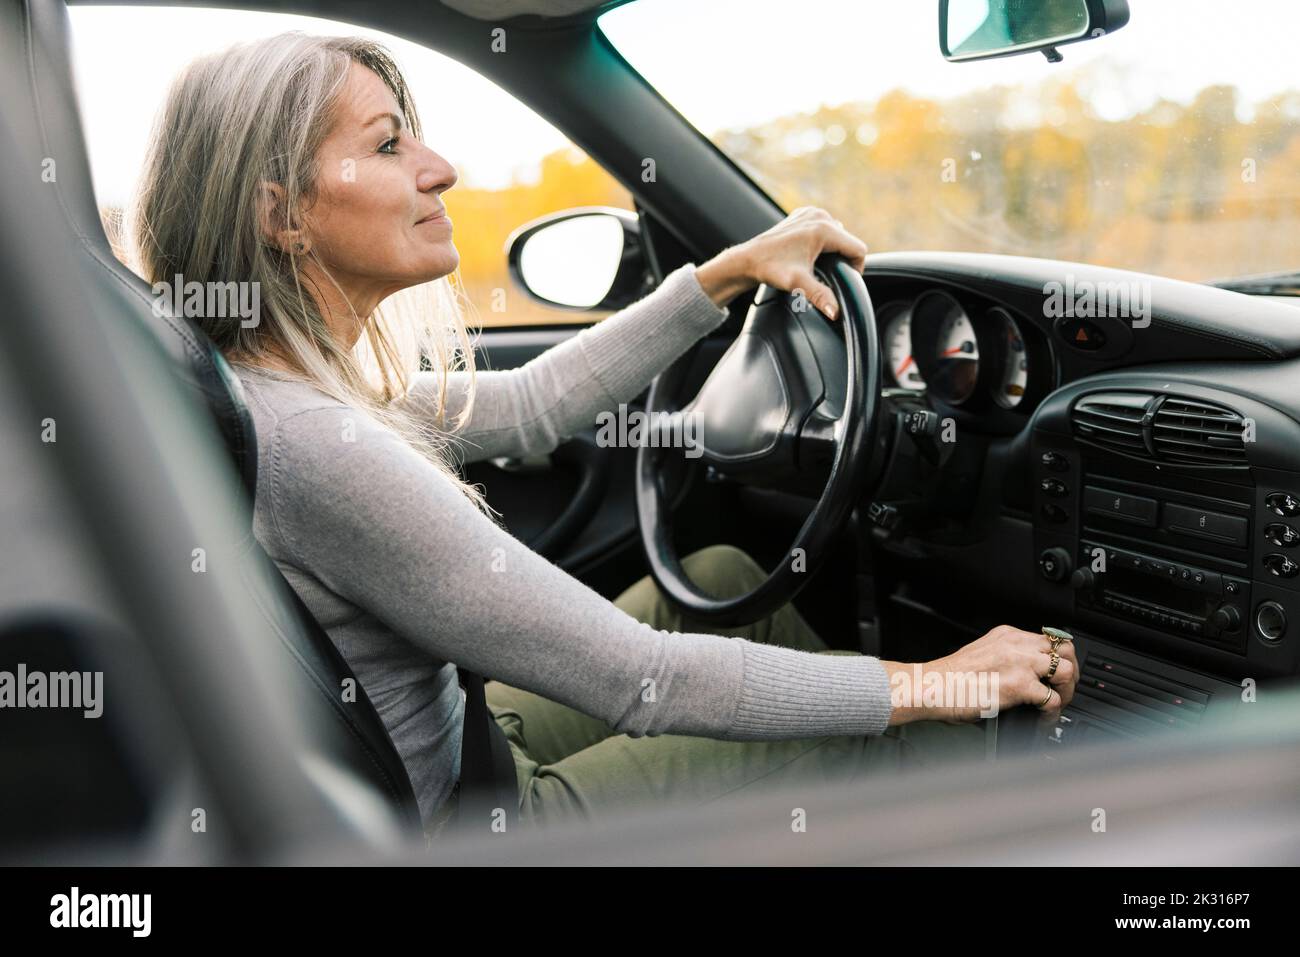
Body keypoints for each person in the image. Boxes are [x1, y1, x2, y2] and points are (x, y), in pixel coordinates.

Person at [127, 32, 1080, 838]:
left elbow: (531, 405)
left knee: (712, 582)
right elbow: (646, 682)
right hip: (479, 819)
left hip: (463, 742)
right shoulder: (321, 450)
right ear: (282, 215)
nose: (439, 168)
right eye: (386, 148)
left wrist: (723, 276)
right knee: (919, 721)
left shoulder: (266, 389)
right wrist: (942, 682)